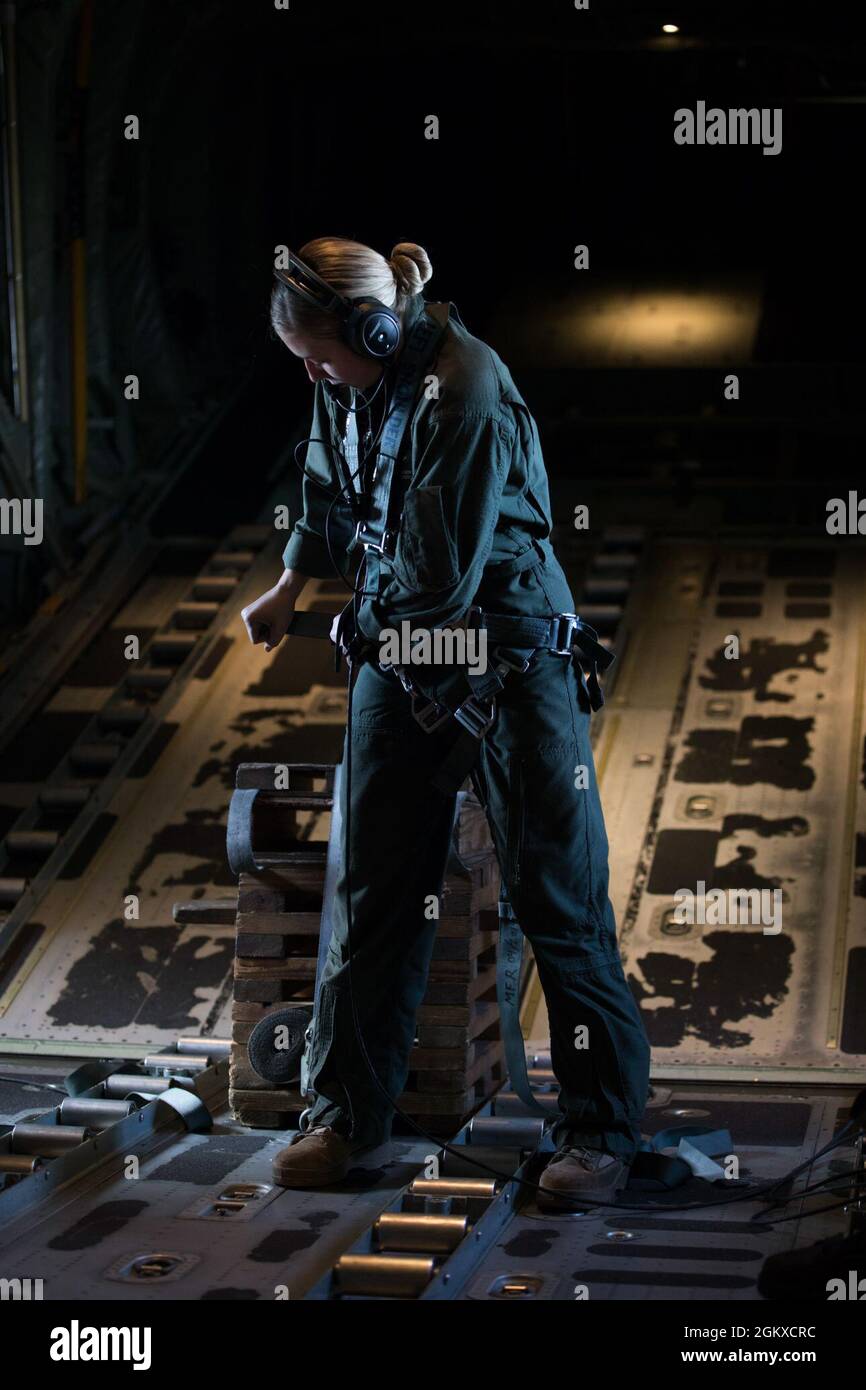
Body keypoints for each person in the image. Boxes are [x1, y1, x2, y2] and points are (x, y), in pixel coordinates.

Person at [242, 237, 651, 1207]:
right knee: (373, 889)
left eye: (316, 355)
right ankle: (345, 1112)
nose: (309, 373)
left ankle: (597, 1132)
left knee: (557, 897)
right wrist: (294, 580)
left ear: (372, 328)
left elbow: (435, 580)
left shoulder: (464, 388)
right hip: (399, 645)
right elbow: (324, 475)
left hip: (506, 655)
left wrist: (370, 627)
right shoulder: (344, 369)